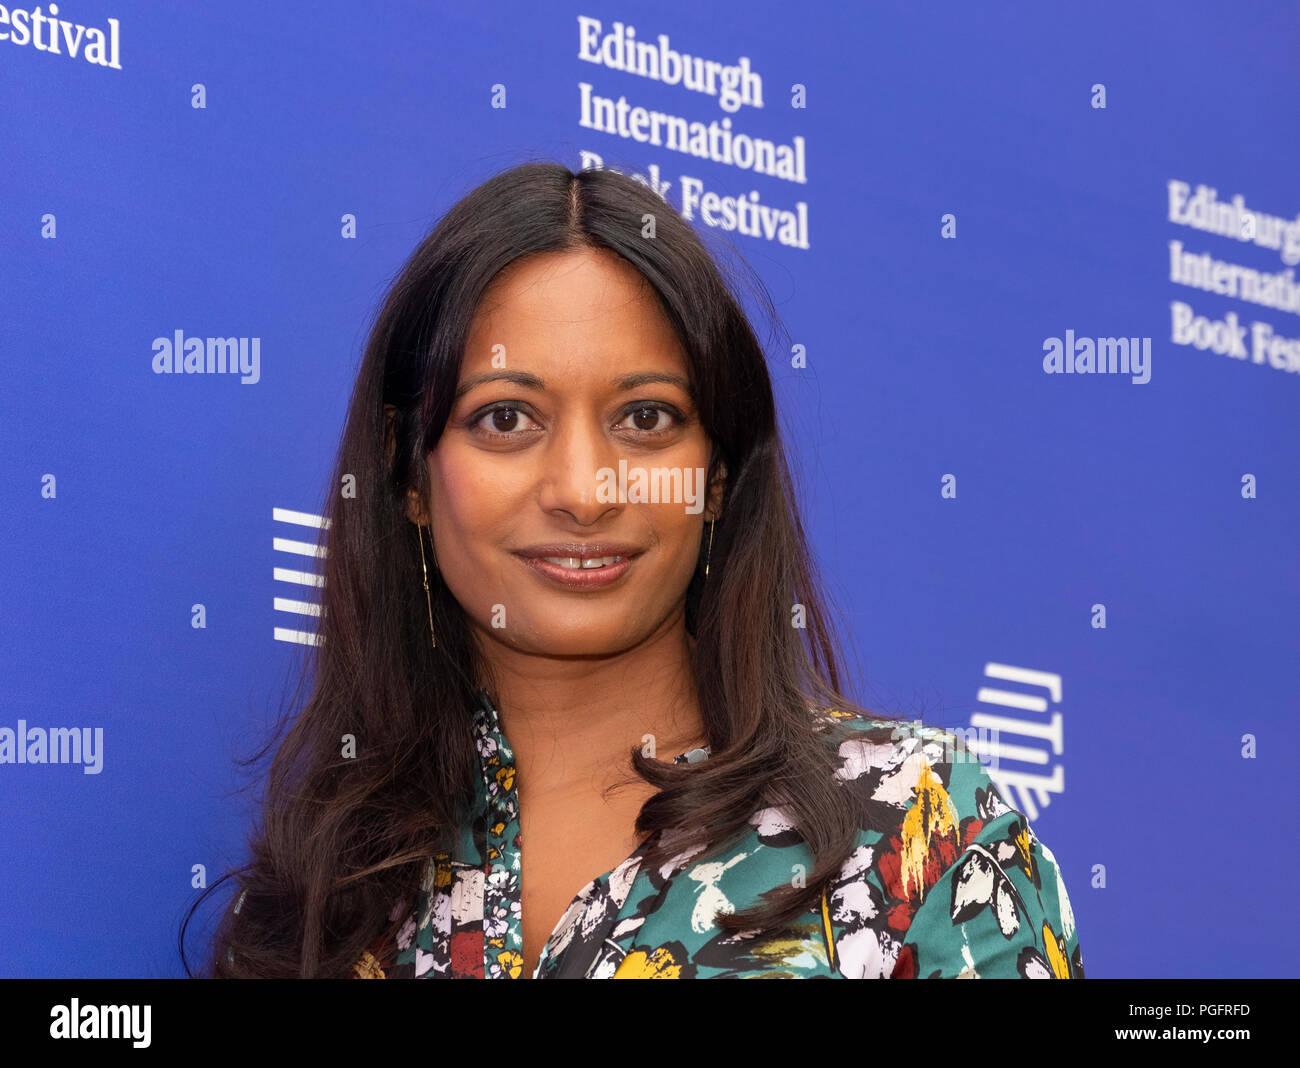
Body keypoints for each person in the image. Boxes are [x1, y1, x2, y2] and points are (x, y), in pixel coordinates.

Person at [183, 160, 1083, 979]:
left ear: (717, 476)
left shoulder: (914, 836)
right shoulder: (327, 902)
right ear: (408, 474)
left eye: (645, 420)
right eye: (506, 419)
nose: (583, 489)